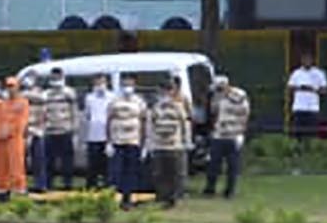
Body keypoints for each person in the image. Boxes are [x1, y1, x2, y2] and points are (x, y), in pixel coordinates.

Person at [204, 73, 250, 197]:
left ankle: (223, 190)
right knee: (220, 164)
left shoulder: (232, 97)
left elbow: (244, 114)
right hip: (226, 134)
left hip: (228, 134)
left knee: (226, 164)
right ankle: (218, 189)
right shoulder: (222, 96)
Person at [148, 79, 193, 208]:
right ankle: (162, 195)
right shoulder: (156, 107)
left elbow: (184, 124)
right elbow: (151, 125)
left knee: (174, 173)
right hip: (159, 144)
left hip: (174, 145)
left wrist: (186, 141)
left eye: (167, 91)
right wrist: (150, 142)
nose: (164, 94)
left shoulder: (178, 106)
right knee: (160, 173)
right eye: (162, 91)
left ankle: (174, 197)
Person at [105, 77, 149, 206]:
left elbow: (143, 122)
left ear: (134, 86)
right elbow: (108, 121)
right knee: (116, 171)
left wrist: (144, 144)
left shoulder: (139, 102)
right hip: (117, 141)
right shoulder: (114, 102)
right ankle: (113, 197)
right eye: (125, 85)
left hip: (133, 140)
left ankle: (127, 198)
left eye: (130, 85)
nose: (127, 88)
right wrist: (108, 142)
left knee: (130, 171)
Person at [37, 69, 79, 192]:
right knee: (49, 161)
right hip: (50, 132)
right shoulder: (46, 94)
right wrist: (42, 128)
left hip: (65, 130)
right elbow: (42, 112)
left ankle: (67, 184)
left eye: (57, 77)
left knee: (67, 161)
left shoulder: (69, 93)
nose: (55, 79)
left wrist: (75, 131)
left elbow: (74, 113)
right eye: (53, 77)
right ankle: (49, 184)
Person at [0, 76, 29, 197]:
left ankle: (19, 189)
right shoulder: (2, 104)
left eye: (12, 86)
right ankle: (1, 190)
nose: (10, 89)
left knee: (16, 165)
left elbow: (22, 121)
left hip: (15, 138)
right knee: (1, 165)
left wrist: (9, 131)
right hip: (1, 139)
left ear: (17, 87)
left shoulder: (23, 103)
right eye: (8, 86)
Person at [288, 53, 327, 142]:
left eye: (309, 59)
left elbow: (324, 90)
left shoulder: (319, 73)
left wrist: (313, 89)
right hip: (299, 108)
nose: (307, 61)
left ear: (312, 60)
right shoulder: (296, 73)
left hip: (313, 108)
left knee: (312, 133)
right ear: (301, 60)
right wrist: (301, 88)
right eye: (305, 59)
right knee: (297, 134)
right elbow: (290, 88)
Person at [82, 76, 115, 187]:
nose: (100, 85)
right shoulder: (89, 98)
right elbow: (87, 115)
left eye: (102, 82)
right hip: (93, 135)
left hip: (108, 135)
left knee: (107, 164)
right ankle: (91, 186)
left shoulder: (112, 97)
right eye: (97, 83)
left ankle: (107, 185)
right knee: (93, 163)